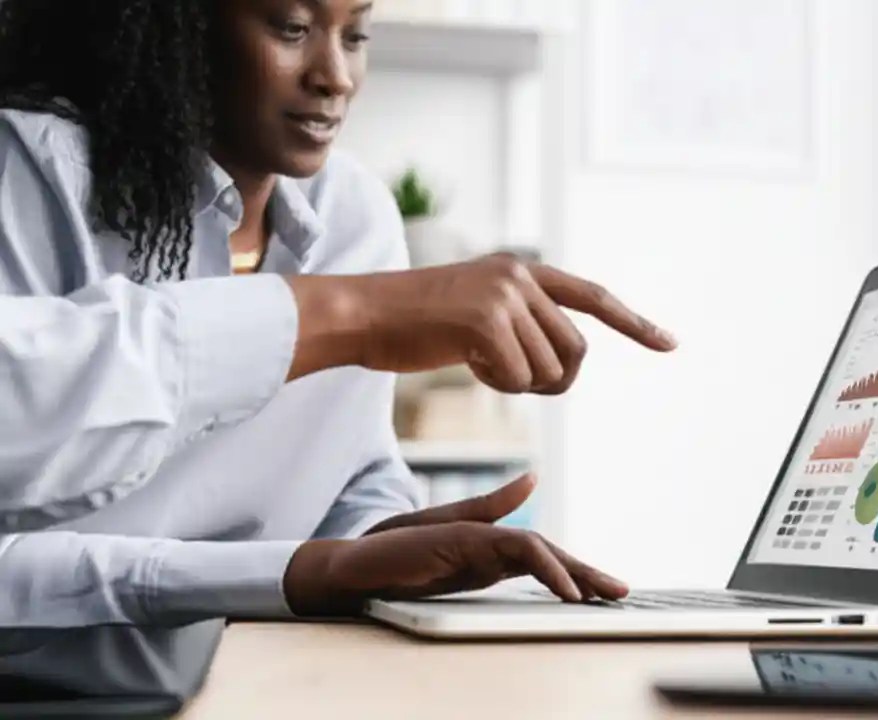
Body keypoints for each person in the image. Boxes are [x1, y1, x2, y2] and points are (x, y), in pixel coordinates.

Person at [0, 0, 676, 627]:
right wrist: (348, 313)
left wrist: (373, 542)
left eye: (355, 34)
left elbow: (356, 467)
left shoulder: (354, 213)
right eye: (292, 27)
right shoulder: (30, 168)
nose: (335, 76)